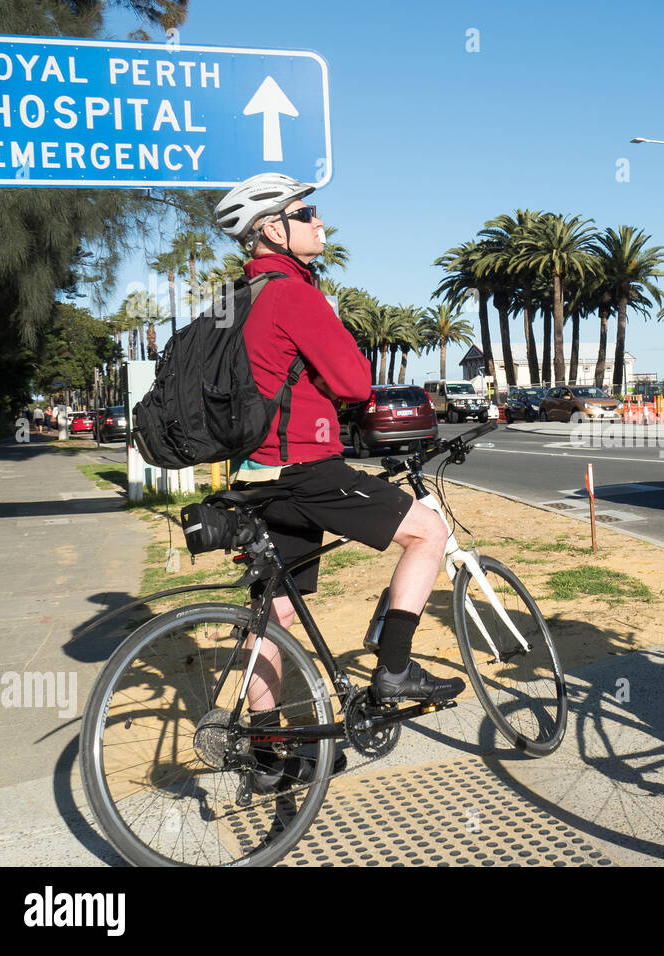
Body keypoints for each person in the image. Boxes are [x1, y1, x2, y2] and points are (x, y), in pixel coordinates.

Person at [213, 173, 463, 787]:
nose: (320, 223)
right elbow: (354, 381)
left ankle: (267, 754)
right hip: (304, 469)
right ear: (274, 229)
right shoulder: (293, 294)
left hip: (252, 472)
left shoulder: (232, 298)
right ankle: (396, 668)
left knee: (275, 613)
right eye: (307, 213)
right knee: (428, 532)